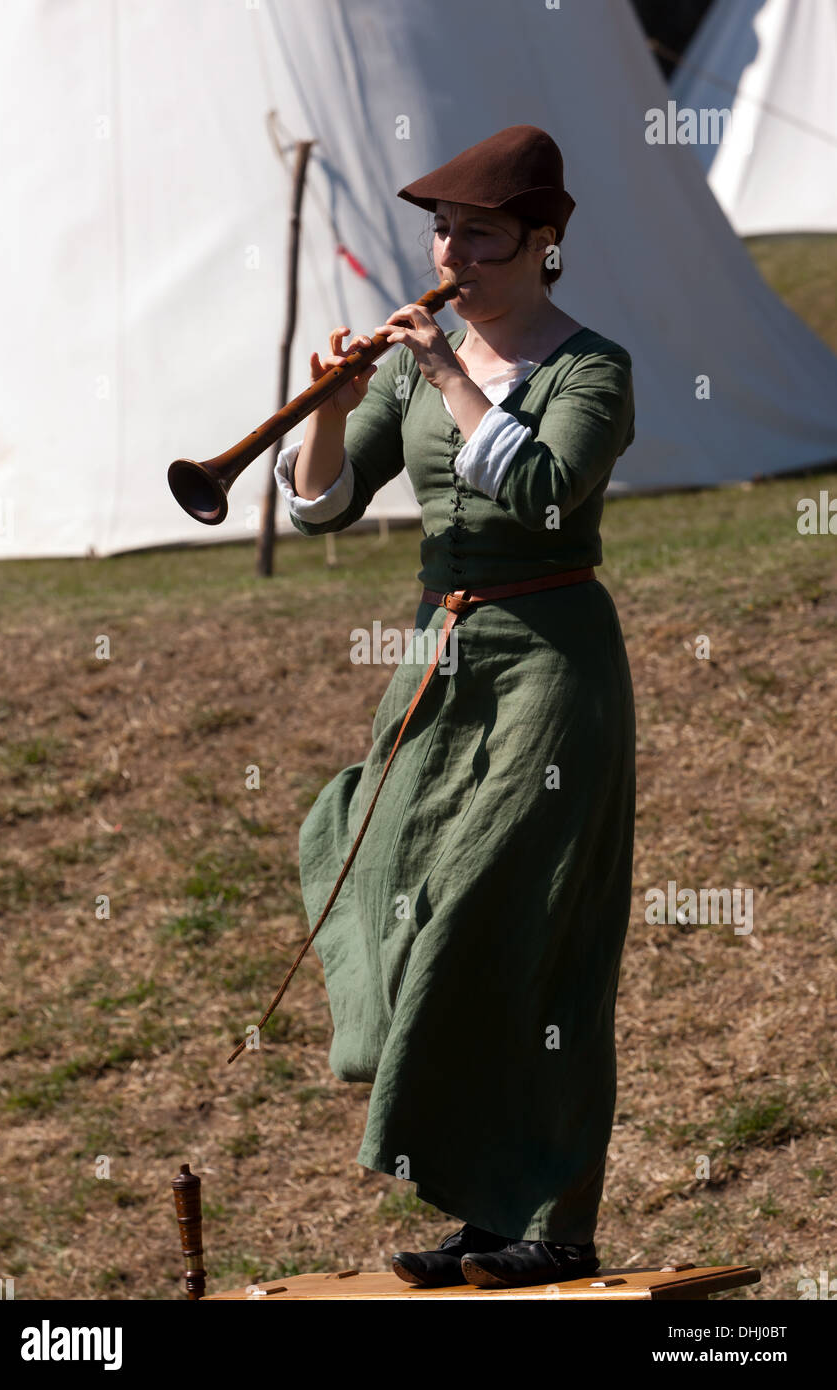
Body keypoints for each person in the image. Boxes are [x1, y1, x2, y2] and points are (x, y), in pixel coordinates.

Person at [273, 125, 636, 1290]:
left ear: (542, 246)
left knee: (526, 930)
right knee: (391, 886)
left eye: (478, 234)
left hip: (550, 663)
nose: (450, 252)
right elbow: (326, 507)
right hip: (435, 655)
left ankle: (549, 1225)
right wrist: (331, 406)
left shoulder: (592, 367)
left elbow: (539, 492)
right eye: (441, 230)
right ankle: (479, 1201)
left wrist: (444, 372)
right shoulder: (404, 362)